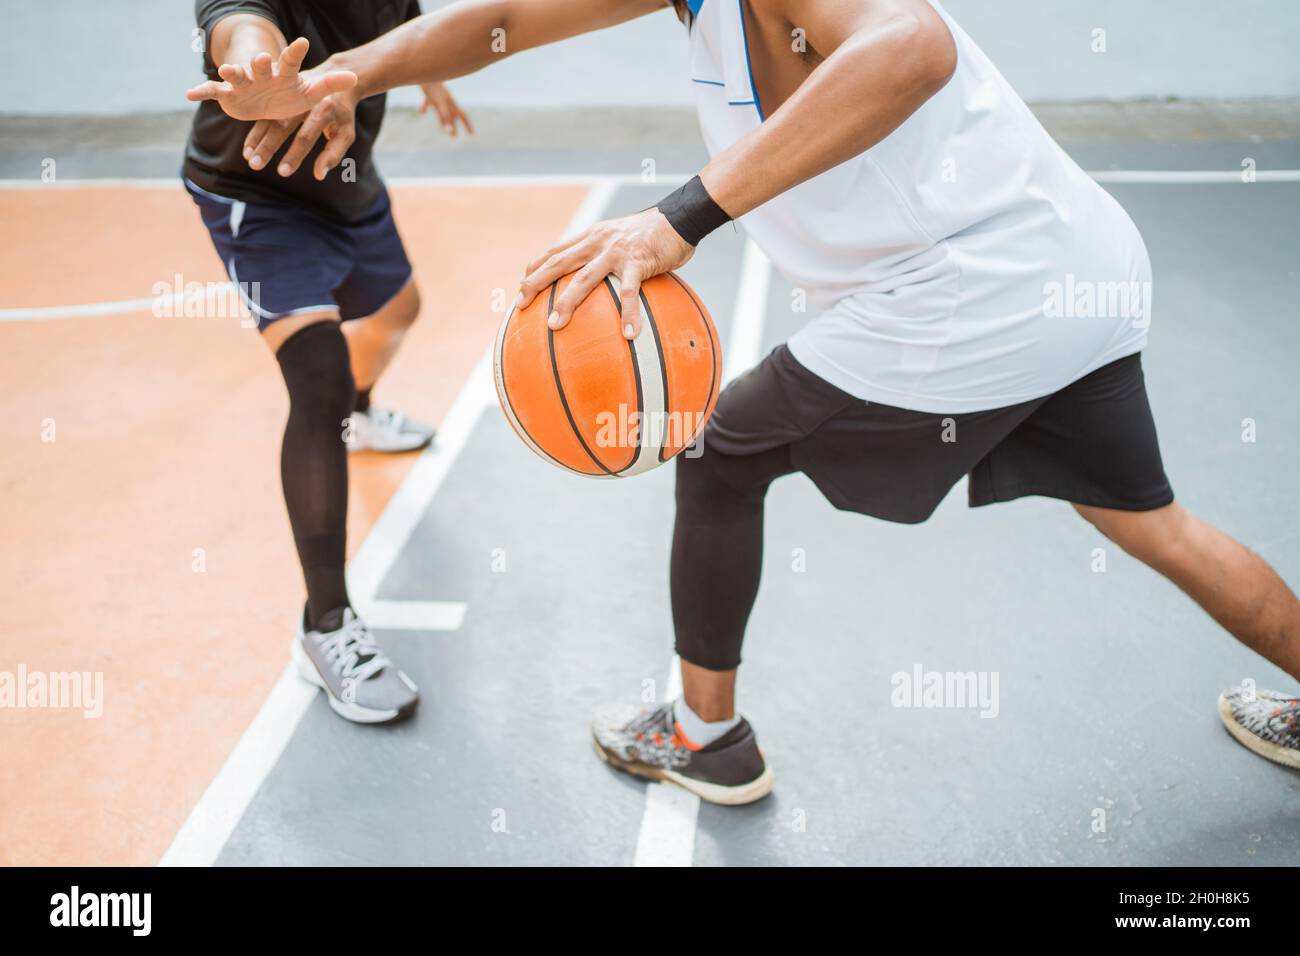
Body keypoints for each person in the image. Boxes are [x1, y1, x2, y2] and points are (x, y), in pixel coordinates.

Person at [189, 0, 1300, 792]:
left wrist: (679, 216)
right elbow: (500, 23)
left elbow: (913, 41)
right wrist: (348, 73)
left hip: (965, 297)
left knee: (723, 458)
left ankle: (705, 737)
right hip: (1071, 269)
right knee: (1148, 523)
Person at [183, 0, 473, 723]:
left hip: (347, 183)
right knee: (319, 378)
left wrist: (428, 77)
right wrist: (256, 65)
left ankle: (364, 415)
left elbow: (407, 23)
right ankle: (325, 624)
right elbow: (242, 26)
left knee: (401, 310)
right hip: (258, 194)